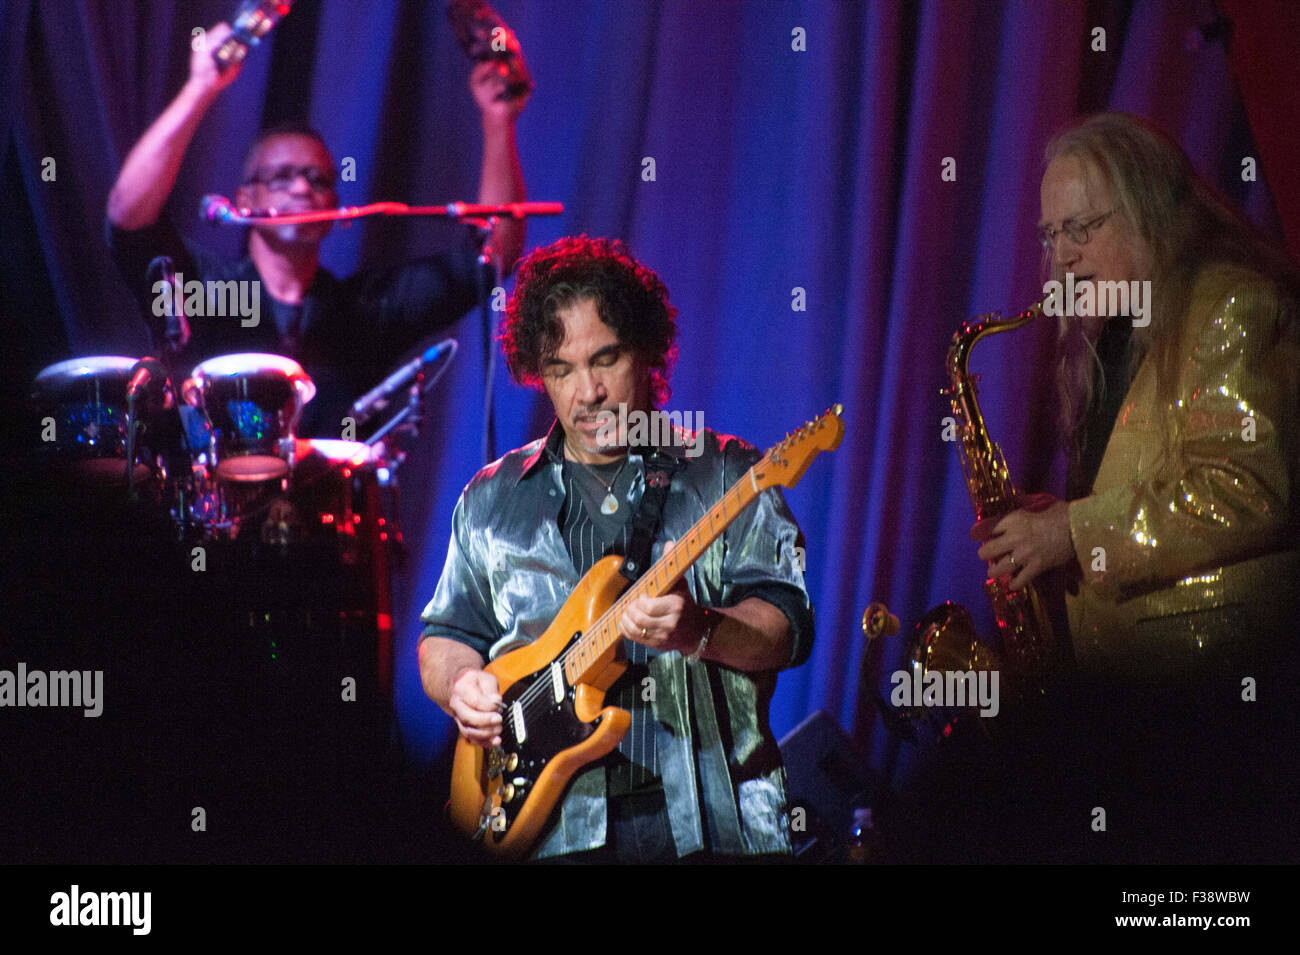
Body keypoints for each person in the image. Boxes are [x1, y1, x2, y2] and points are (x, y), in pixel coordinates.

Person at [417, 236, 815, 862]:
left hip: (709, 825)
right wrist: (461, 684)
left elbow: (788, 631)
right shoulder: (489, 498)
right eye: (561, 370)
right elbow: (445, 635)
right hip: (549, 832)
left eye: (606, 359)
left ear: (647, 352)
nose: (587, 392)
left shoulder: (728, 472)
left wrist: (701, 629)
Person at [971, 112, 1300, 861]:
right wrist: (1061, 517)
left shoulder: (1232, 304)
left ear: (1149, 211)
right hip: (1149, 712)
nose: (1061, 256)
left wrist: (1074, 531)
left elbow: (1248, 486)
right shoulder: (1121, 332)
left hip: (1216, 711)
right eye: (1050, 235)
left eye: (1079, 228)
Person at [105, 21, 529, 437]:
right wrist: (200, 88)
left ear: (335, 205)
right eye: (281, 177)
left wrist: (498, 121)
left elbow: (495, 252)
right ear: (245, 199)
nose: (302, 189)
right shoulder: (207, 291)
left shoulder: (364, 313)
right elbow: (129, 215)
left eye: (318, 179)